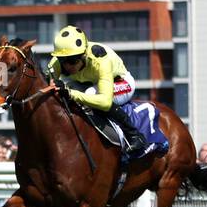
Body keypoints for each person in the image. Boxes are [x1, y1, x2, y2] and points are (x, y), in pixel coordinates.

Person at [46, 24, 148, 157]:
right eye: (63, 60)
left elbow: (104, 102)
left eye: (72, 60)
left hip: (120, 82)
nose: (67, 65)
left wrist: (71, 93)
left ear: (83, 55)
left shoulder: (100, 59)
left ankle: (134, 135)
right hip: (90, 83)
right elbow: (48, 87)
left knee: (89, 95)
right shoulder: (57, 61)